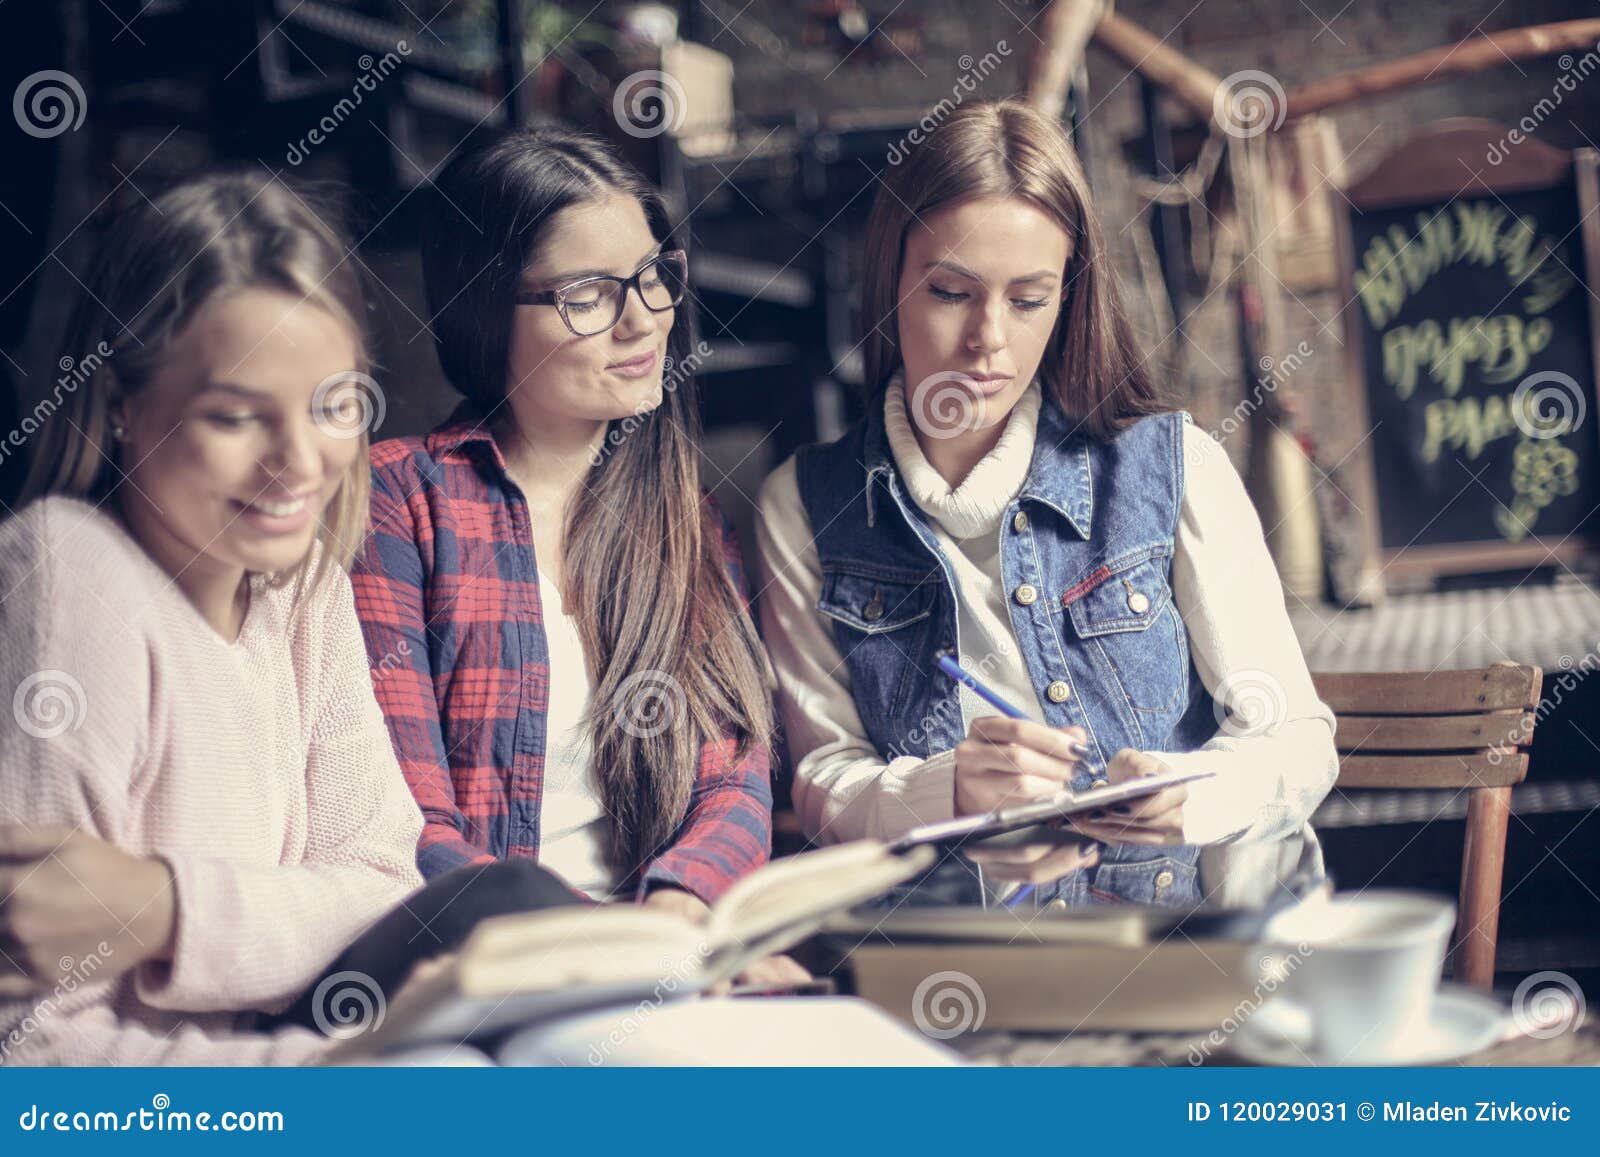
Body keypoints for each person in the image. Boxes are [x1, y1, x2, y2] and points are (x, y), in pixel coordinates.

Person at [0, 174, 578, 1066]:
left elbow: (382, 878)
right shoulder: (69, 573)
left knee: (515, 918)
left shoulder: (300, 586)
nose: (299, 464)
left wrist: (165, 909)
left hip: (292, 1046)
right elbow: (35, 1048)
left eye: (335, 405)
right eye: (237, 416)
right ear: (119, 404)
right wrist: (332, 1072)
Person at [755, 100, 1339, 910]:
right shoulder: (805, 503)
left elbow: (1299, 741)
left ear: (1068, 298)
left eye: (1028, 299)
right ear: (888, 281)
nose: (988, 339)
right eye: (950, 291)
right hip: (963, 965)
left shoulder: (1171, 467)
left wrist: (1197, 791)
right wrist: (947, 790)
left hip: (1187, 949)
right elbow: (825, 780)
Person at [351, 128, 803, 986]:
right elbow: (407, 823)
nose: (643, 319)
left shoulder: (686, 519)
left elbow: (734, 777)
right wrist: (625, 949)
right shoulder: (398, 503)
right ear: (486, 311)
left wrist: (679, 910)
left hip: (667, 953)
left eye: (653, 275)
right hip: (490, 972)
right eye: (588, 294)